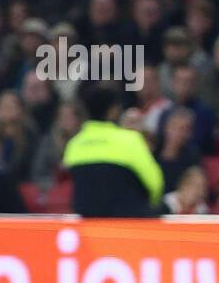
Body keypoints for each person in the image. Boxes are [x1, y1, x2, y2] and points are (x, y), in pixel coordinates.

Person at [63, 84, 163, 218]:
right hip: (128, 224)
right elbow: (155, 184)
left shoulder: (74, 145)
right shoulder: (129, 140)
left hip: (88, 223)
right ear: (113, 111)